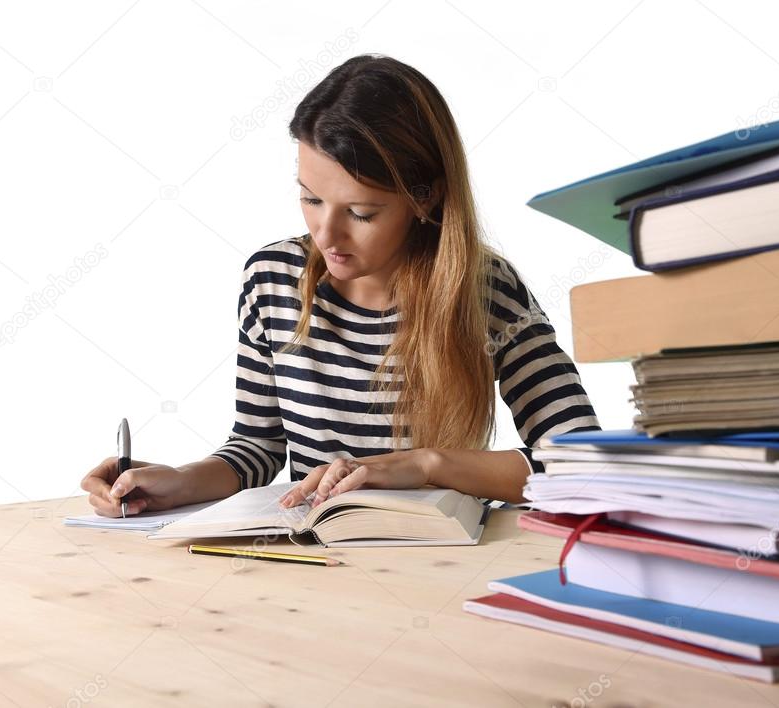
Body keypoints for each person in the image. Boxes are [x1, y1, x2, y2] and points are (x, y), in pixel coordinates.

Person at [81, 53, 600, 516]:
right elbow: (256, 449)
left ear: (426, 198)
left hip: (439, 562)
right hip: (312, 560)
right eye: (310, 199)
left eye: (360, 212)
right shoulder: (272, 281)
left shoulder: (485, 293)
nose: (325, 235)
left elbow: (585, 463)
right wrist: (178, 481)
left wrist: (423, 464)